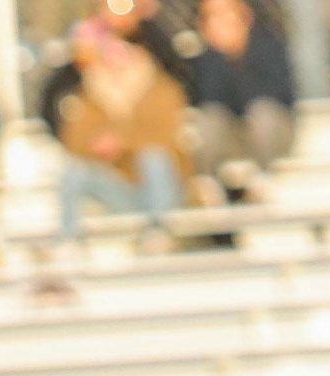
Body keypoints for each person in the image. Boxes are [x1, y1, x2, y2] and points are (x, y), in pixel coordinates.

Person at [52, 20, 188, 243]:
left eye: (123, 49)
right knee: (74, 172)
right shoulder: (88, 93)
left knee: (153, 158)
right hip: (119, 186)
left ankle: (159, 231)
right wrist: (95, 147)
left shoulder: (163, 90)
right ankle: (68, 240)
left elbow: (168, 138)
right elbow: (73, 142)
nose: (116, 57)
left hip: (163, 185)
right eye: (109, 49)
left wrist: (122, 144)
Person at [189, 0, 298, 202]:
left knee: (262, 113)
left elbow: (276, 96)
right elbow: (208, 99)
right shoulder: (207, 58)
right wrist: (221, 56)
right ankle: (208, 183)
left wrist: (237, 51)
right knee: (210, 118)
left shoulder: (268, 46)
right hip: (232, 135)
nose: (218, 23)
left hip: (271, 133)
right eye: (210, 17)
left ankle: (265, 179)